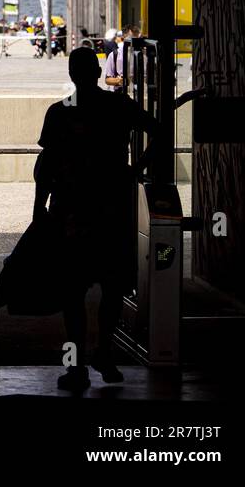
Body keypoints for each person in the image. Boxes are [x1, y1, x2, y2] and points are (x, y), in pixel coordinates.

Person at [34, 47, 157, 390]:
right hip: (112, 207)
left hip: (71, 210)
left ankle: (76, 368)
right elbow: (159, 130)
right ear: (99, 71)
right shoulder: (118, 105)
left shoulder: (59, 113)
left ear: (72, 74)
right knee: (113, 286)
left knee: (72, 294)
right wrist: (135, 169)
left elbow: (46, 167)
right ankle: (105, 350)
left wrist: (37, 210)